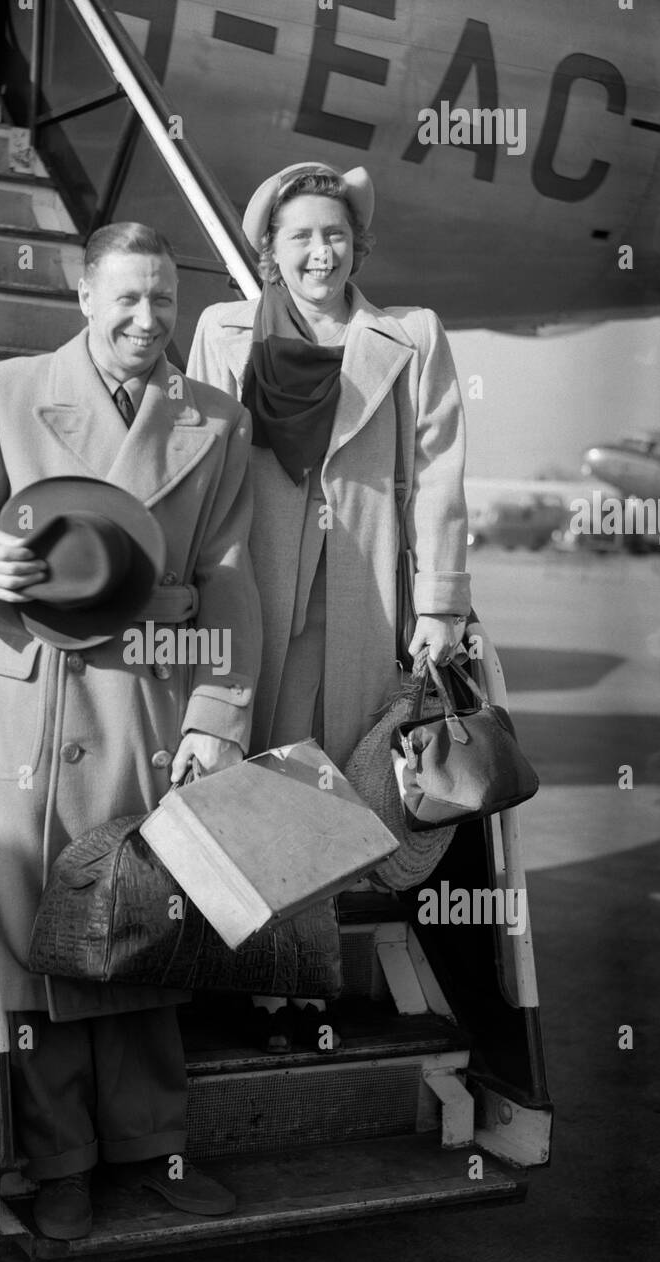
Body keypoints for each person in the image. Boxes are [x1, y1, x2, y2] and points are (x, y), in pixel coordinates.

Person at [0, 222, 261, 1240]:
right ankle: (60, 1163)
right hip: (33, 700)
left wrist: (218, 717)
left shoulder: (214, 420)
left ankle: (156, 1148)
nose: (148, 320)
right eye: (127, 299)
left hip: (149, 694)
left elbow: (231, 578)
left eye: (164, 302)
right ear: (85, 296)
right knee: (43, 938)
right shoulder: (2, 393)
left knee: (147, 921)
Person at [188, 163, 470, 1050]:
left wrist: (441, 604)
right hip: (253, 586)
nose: (321, 251)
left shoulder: (408, 336)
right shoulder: (222, 330)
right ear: (268, 252)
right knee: (250, 767)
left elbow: (437, 476)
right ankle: (239, 969)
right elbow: (192, 460)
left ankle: (301, 987)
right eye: (301, 236)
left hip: (357, 585)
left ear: (358, 244)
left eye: (335, 234)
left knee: (328, 775)